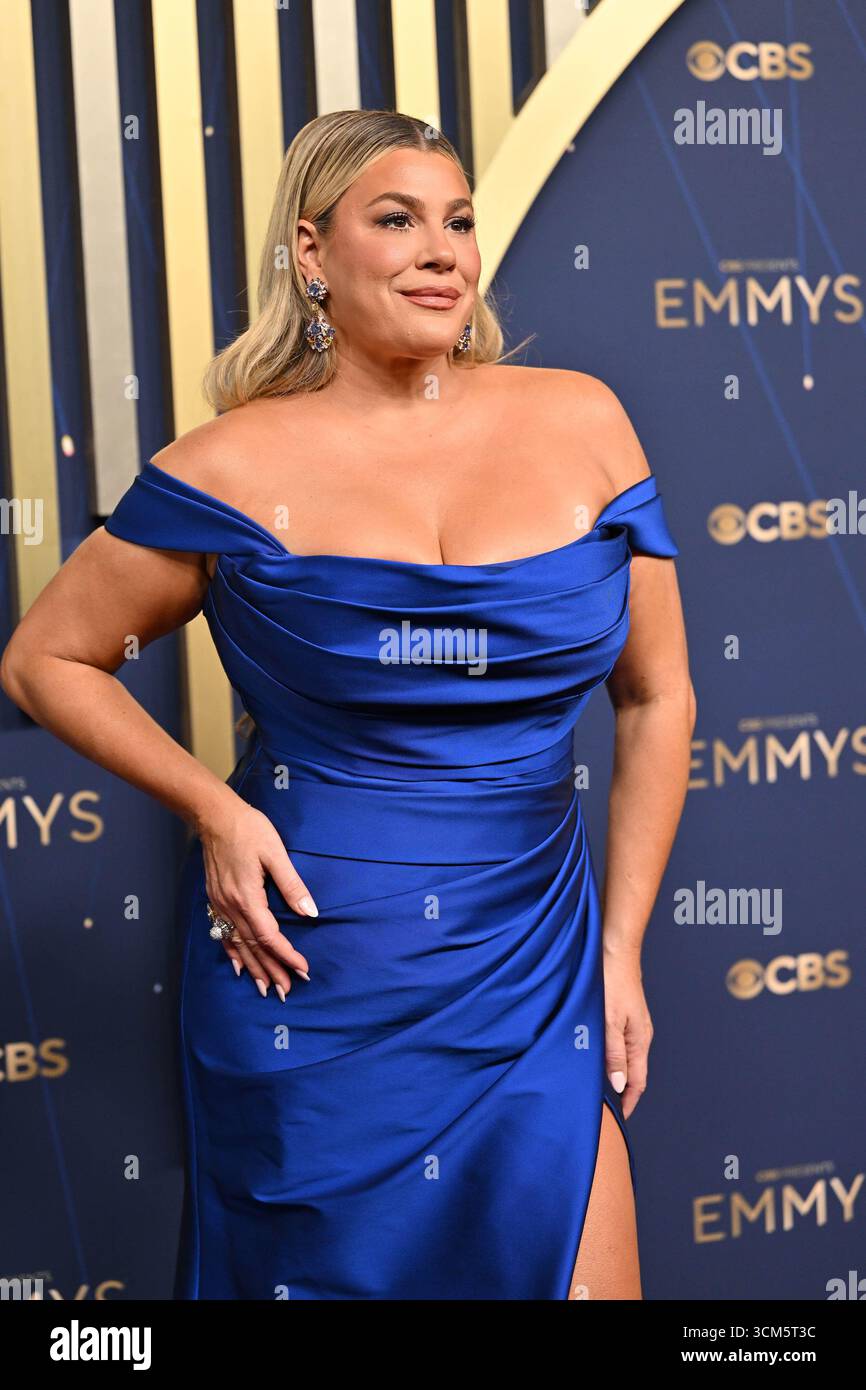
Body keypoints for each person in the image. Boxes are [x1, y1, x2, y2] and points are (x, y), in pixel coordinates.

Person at [0, 109, 694, 1300]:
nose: (441, 251)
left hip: (531, 969)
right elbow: (45, 659)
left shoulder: (583, 422)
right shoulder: (229, 467)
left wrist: (618, 951)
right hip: (311, 974)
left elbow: (657, 694)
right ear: (311, 256)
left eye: (458, 221)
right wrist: (212, 810)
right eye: (396, 220)